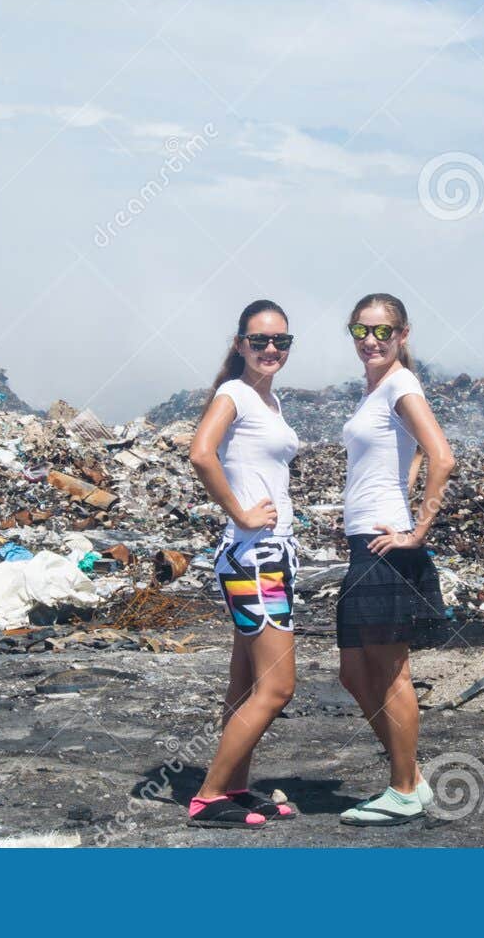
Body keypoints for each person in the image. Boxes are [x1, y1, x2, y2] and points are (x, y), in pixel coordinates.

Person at [335, 292, 456, 826]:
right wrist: (401, 497)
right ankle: (412, 775)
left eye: (382, 331)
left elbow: (443, 455)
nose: (371, 340)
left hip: (387, 548)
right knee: (353, 672)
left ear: (403, 335)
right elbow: (405, 456)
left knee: (388, 672)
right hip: (366, 541)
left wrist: (417, 529)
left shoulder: (401, 383)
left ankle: (404, 789)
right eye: (361, 330)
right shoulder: (376, 389)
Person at [185, 299, 302, 829]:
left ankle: (233, 786)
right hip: (255, 556)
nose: (271, 349)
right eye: (260, 341)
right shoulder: (234, 393)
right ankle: (209, 797)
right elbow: (200, 453)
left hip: (270, 554)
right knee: (278, 688)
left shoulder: (270, 404)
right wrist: (240, 512)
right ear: (240, 345)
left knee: (247, 682)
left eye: (281, 341)